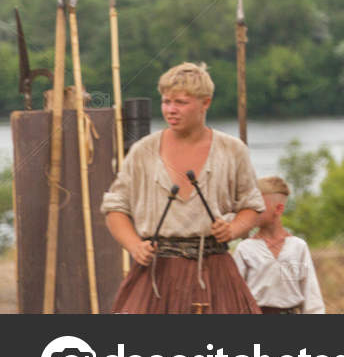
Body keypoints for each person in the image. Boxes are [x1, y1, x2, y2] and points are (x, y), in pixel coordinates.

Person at [102, 62, 264, 313]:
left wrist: (232, 229)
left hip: (214, 273)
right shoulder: (143, 151)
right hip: (156, 274)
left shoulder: (232, 150)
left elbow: (252, 207)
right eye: (166, 102)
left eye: (180, 102)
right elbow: (115, 208)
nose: (171, 110)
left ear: (205, 103)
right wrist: (134, 245)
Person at [233, 176, 325, 314]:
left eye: (259, 207)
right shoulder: (245, 249)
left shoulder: (298, 247)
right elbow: (235, 296)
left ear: (279, 209)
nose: (253, 211)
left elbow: (312, 298)